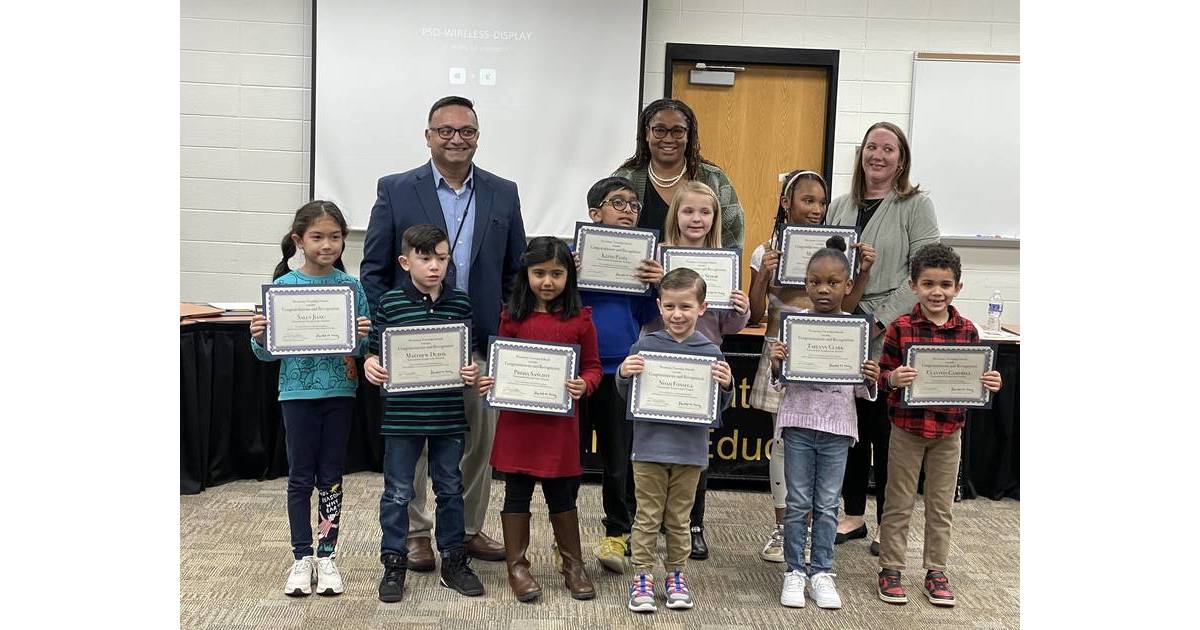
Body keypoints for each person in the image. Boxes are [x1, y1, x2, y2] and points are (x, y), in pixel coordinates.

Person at [362, 95, 526, 569]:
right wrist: (390, 332)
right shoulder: (396, 189)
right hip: (411, 344)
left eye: (467, 131)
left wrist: (505, 331)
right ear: (428, 136)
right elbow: (374, 270)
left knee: (476, 442)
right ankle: (416, 532)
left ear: (478, 136)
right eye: (446, 130)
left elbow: (514, 271)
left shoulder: (503, 192)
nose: (457, 139)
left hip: (478, 343)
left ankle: (467, 530)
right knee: (413, 441)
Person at [746, 171, 875, 563]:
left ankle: (813, 529)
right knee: (784, 443)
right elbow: (755, 313)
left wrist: (863, 271)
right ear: (787, 203)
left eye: (822, 202)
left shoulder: (838, 253)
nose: (817, 209)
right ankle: (783, 527)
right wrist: (765, 275)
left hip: (829, 353)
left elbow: (847, 307)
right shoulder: (766, 250)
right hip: (783, 351)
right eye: (808, 200)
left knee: (822, 445)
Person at [825, 122, 940, 555]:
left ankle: (889, 524)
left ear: (901, 158)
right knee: (849, 425)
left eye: (888, 149)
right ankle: (852, 515)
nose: (878, 155)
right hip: (842, 327)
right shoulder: (840, 205)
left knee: (886, 433)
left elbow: (923, 271)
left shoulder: (915, 205)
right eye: (871, 147)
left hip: (891, 332)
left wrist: (879, 320)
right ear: (861, 154)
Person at [248, 201, 372, 597]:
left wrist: (362, 335)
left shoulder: (352, 287)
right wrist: (260, 337)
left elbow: (361, 349)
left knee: (331, 477)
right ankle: (302, 555)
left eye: (335, 237)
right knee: (301, 477)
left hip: (340, 392)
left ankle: (327, 554)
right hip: (296, 394)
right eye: (317, 237)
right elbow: (267, 356)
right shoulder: (283, 288)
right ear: (299, 240)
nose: (327, 244)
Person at [875, 243, 1002, 607]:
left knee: (941, 506)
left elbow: (977, 379)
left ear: (958, 288)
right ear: (913, 285)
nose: (937, 292)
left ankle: (936, 570)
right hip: (907, 428)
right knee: (898, 502)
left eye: (945, 285)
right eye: (928, 283)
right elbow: (881, 377)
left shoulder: (968, 331)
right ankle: (891, 568)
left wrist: (990, 383)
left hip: (949, 430)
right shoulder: (900, 328)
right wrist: (892, 379)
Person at [362, 224, 485, 603]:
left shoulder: (460, 303)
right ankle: (394, 562)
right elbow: (373, 350)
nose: (434, 266)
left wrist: (470, 371)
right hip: (403, 417)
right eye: (425, 258)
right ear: (405, 262)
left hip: (447, 415)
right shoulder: (390, 303)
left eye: (442, 258)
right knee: (398, 492)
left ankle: (454, 561)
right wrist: (370, 364)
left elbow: (467, 356)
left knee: (449, 489)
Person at [478, 237, 603, 602]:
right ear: (526, 274)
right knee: (516, 494)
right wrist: (491, 382)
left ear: (569, 276)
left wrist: (585, 384)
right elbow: (502, 365)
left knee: (561, 496)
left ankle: (573, 566)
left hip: (558, 429)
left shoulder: (581, 320)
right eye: (539, 273)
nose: (547, 281)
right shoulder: (511, 317)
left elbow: (593, 366)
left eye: (557, 274)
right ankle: (517, 568)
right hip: (518, 426)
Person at [767, 238, 879, 610]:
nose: (823, 289)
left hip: (838, 427)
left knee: (829, 504)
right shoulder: (793, 324)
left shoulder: (855, 330)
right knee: (798, 502)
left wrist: (869, 376)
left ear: (848, 286)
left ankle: (821, 572)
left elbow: (861, 389)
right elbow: (779, 382)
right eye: (815, 282)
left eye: (833, 282)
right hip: (798, 423)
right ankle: (794, 571)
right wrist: (777, 364)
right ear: (806, 284)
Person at [643, 180, 750, 560]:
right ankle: (649, 522)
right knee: (652, 443)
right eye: (688, 211)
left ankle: (694, 524)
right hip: (660, 359)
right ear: (676, 215)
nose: (696, 218)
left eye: (705, 212)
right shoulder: (657, 257)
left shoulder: (725, 263)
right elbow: (643, 311)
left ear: (715, 218)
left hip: (701, 363)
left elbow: (728, 326)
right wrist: (650, 286)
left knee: (695, 449)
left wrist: (741, 309)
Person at [617, 268, 734, 614]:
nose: (677, 314)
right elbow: (627, 395)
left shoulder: (711, 352)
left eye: (686, 306)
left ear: (702, 308)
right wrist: (623, 374)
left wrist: (727, 385)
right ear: (659, 306)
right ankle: (642, 577)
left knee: (679, 520)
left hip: (690, 452)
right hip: (648, 449)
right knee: (647, 517)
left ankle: (675, 576)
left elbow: (718, 407)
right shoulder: (644, 347)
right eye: (669, 306)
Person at [575, 177, 664, 574]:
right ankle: (565, 534)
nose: (629, 210)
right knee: (571, 458)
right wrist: (569, 272)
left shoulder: (643, 261)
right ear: (595, 214)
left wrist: (656, 285)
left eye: (634, 205)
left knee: (618, 459)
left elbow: (647, 316)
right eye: (618, 203)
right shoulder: (575, 257)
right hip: (577, 372)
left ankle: (617, 532)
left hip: (619, 372)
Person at [612, 98, 745, 251]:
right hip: (637, 266)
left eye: (677, 131)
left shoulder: (714, 179)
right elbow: (608, 233)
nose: (668, 139)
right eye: (659, 130)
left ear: (688, 135)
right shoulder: (624, 179)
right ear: (647, 133)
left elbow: (733, 241)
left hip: (700, 266)